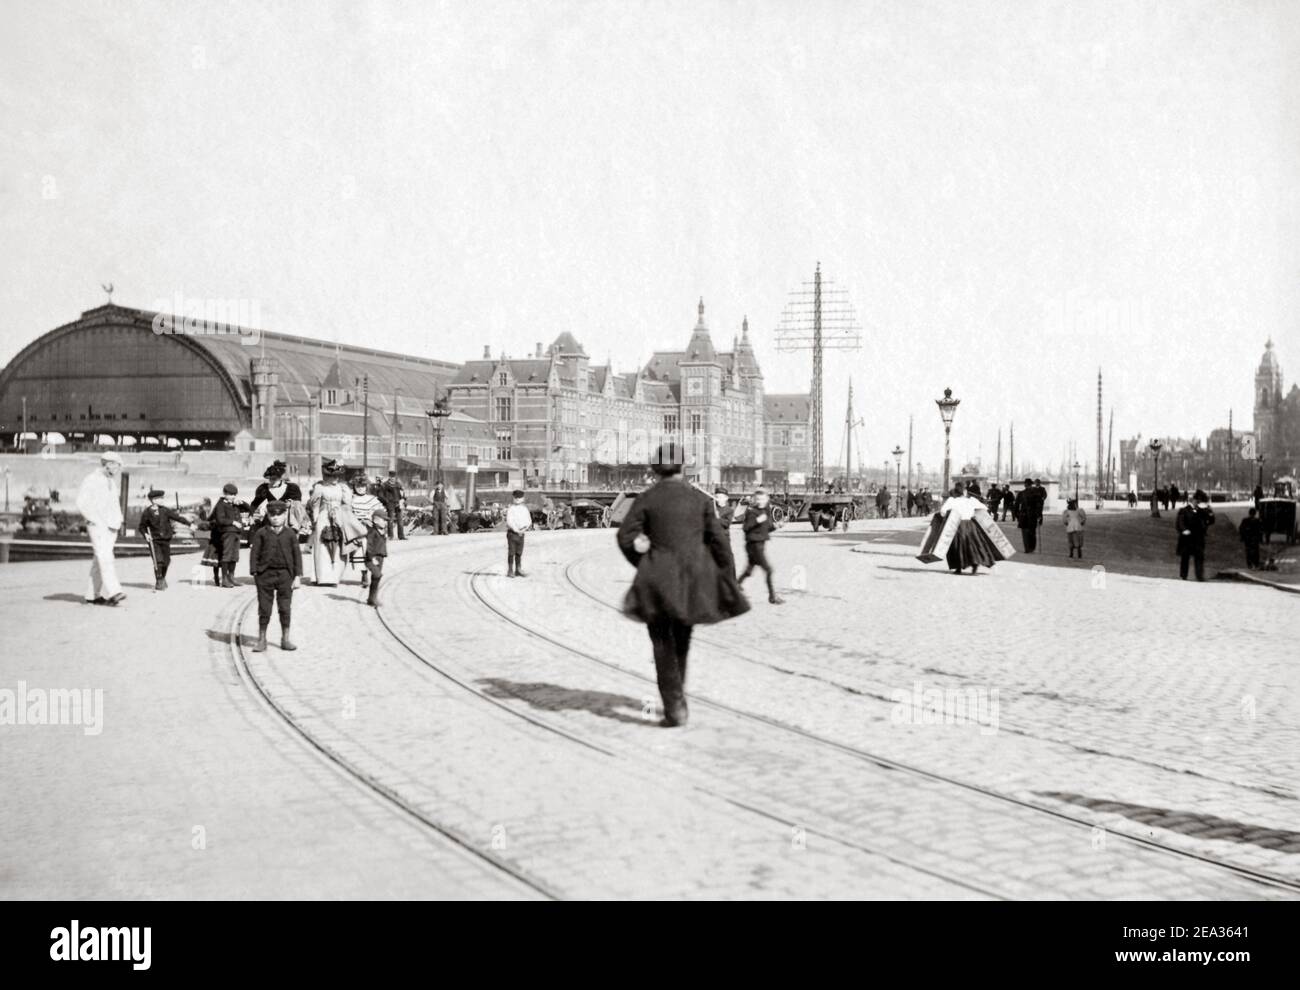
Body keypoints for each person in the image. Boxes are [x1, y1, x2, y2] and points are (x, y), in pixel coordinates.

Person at [617, 442, 749, 727]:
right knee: (682, 642)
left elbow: (625, 537)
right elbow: (720, 543)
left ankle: (674, 707)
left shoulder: (646, 499)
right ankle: (678, 701)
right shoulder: (699, 500)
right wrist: (726, 577)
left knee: (661, 644)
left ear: (655, 469)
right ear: (682, 467)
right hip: (691, 582)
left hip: (657, 582)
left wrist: (644, 563)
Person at [917, 482, 1014, 574]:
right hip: (970, 525)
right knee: (973, 544)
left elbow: (942, 512)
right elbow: (984, 508)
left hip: (956, 524)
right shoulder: (971, 500)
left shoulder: (952, 501)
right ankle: (975, 563)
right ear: (964, 491)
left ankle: (958, 568)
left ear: (955, 492)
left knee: (957, 546)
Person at [248, 501, 300, 652]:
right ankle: (262, 639)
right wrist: (255, 573)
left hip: (285, 575)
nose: (276, 518)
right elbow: (254, 553)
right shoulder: (261, 533)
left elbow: (297, 556)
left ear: (285, 515)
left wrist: (297, 576)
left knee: (285, 608)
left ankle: (285, 639)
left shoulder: (290, 534)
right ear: (268, 516)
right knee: (264, 608)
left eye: (279, 515)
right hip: (265, 575)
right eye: (272, 515)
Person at [76, 451, 127, 605]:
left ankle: (92, 594)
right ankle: (114, 591)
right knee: (106, 557)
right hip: (98, 525)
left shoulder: (110, 481)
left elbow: (113, 504)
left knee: (100, 559)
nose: (118, 470)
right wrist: (92, 519)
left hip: (111, 526)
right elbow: (81, 502)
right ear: (108, 464)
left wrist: (119, 520)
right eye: (117, 467)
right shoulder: (92, 480)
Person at [306, 459, 353, 586]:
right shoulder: (320, 487)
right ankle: (322, 577)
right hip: (323, 516)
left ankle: (334, 576)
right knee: (322, 545)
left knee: (338, 544)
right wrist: (315, 520)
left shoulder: (342, 488)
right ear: (326, 476)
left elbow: (347, 503)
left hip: (338, 516)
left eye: (336, 476)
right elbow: (315, 505)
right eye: (331, 476)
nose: (334, 479)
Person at [138, 488, 192, 590]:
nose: (162, 500)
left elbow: (178, 518)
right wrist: (146, 534)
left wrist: (190, 524)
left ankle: (162, 578)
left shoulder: (165, 510)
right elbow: (141, 526)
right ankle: (159, 581)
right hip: (154, 540)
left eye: (162, 498)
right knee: (158, 561)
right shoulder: (147, 512)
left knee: (167, 561)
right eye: (160, 499)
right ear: (153, 500)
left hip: (165, 540)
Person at [739, 487, 784, 604]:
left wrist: (775, 526)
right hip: (754, 545)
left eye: (763, 499)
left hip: (759, 544)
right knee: (769, 570)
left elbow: (765, 530)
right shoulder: (751, 511)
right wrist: (757, 520)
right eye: (758, 499)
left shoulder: (765, 511)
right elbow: (745, 528)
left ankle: (734, 588)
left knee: (748, 571)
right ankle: (772, 597)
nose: (760, 501)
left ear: (767, 499)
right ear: (755, 499)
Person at [348, 475, 383, 588]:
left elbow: (379, 511)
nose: (360, 488)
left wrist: (371, 519)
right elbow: (348, 513)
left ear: (366, 487)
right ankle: (364, 575)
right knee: (359, 552)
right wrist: (358, 521)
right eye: (358, 486)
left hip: (370, 529)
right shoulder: (351, 499)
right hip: (356, 529)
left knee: (370, 551)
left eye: (362, 486)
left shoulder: (372, 499)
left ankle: (371, 573)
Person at [249, 460, 303, 529]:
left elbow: (297, 506)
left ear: (280, 478)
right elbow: (254, 504)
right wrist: (250, 516)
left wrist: (290, 504)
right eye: (270, 479)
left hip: (286, 519)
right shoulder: (264, 489)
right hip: (270, 519)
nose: (272, 481)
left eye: (274, 479)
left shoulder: (291, 488)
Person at [211, 483, 247, 588]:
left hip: (236, 532)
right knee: (227, 555)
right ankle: (225, 579)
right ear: (225, 494)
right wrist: (233, 522)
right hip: (227, 532)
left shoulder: (235, 504)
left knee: (235, 556)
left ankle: (232, 577)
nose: (233, 497)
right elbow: (220, 520)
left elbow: (248, 508)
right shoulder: (221, 504)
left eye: (234, 495)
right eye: (231, 495)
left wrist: (242, 502)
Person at [1175, 490, 1215, 581]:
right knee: (1185, 557)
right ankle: (1183, 575)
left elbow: (1211, 521)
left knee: (1199, 557)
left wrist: (1210, 511)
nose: (1198, 503)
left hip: (1198, 538)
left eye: (1199, 501)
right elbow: (1180, 522)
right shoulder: (1184, 510)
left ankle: (1199, 575)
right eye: (1197, 501)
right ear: (1192, 500)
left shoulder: (1202, 511)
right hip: (1187, 538)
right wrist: (1184, 530)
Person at [364, 505, 388, 606]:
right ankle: (373, 598)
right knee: (378, 575)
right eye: (383, 520)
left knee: (375, 577)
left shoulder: (382, 531)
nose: (385, 522)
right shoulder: (372, 532)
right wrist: (371, 557)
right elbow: (368, 546)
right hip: (372, 558)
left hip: (380, 557)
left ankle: (371, 598)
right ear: (376, 520)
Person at [505, 489, 531, 577]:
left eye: (519, 497)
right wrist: (516, 530)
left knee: (519, 552)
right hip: (512, 533)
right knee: (511, 552)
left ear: (523, 498)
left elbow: (528, 521)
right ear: (513, 498)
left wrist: (524, 529)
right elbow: (509, 521)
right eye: (516, 497)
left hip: (522, 533)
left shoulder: (525, 509)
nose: (517, 499)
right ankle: (510, 570)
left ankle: (518, 569)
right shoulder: (511, 509)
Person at [1014, 478, 1039, 552]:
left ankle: (1027, 548)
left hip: (1023, 515)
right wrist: (1038, 515)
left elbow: (1016, 505)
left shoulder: (1021, 493)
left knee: (1025, 532)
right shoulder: (1036, 493)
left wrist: (1017, 515)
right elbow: (1039, 505)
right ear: (1031, 484)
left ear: (1025, 484)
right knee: (1032, 532)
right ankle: (1032, 547)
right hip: (1032, 515)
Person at [380, 471, 406, 540]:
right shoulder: (385, 485)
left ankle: (401, 536)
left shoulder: (398, 484)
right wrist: (386, 501)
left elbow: (403, 493)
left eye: (393, 477)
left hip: (398, 503)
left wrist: (403, 499)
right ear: (389, 477)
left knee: (400, 520)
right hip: (390, 504)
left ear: (395, 477)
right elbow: (381, 495)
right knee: (390, 520)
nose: (392, 478)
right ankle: (390, 536)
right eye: (391, 477)